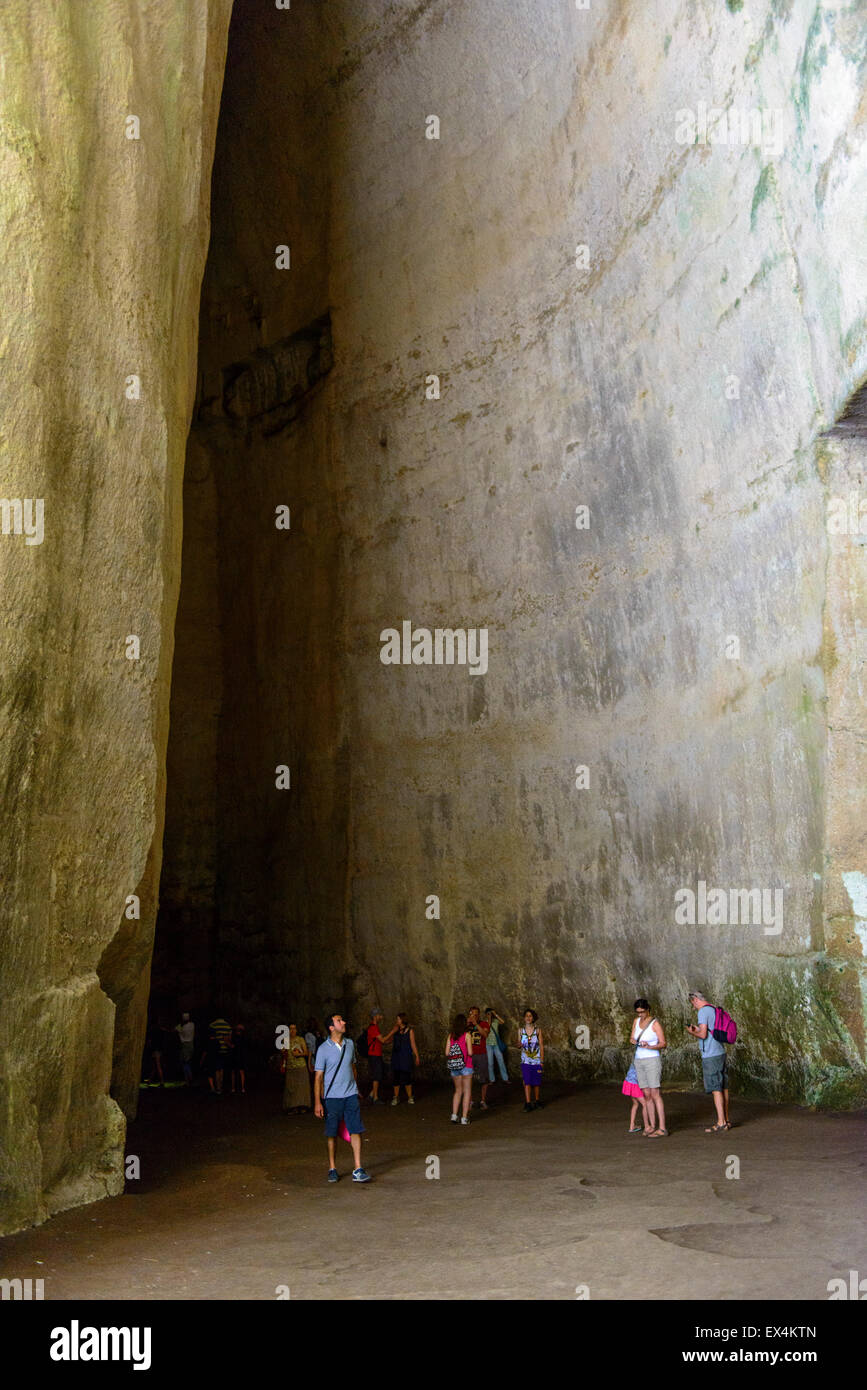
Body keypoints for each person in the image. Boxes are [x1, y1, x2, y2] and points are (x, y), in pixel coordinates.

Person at [313, 1013, 371, 1183]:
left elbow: (352, 1067)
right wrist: (318, 1102)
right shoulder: (323, 1049)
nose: (343, 1022)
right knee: (332, 1132)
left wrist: (356, 1088)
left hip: (350, 1094)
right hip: (332, 1097)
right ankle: (332, 1167)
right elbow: (318, 1078)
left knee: (355, 1129)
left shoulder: (350, 1044)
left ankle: (358, 1168)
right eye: (339, 1021)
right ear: (332, 1027)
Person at [686, 989, 731, 1132]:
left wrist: (692, 1031)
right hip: (720, 1051)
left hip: (710, 1054)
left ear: (695, 1000)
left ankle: (720, 1122)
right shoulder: (713, 1008)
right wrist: (698, 1028)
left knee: (715, 1088)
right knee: (723, 1087)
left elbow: (703, 1034)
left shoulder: (702, 1012)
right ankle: (727, 1119)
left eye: (693, 1004)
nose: (694, 1007)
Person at [631, 999, 667, 1137]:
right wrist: (635, 1041)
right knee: (646, 1094)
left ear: (648, 1009)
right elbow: (631, 1038)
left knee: (655, 1093)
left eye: (642, 1012)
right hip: (639, 1060)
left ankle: (662, 1128)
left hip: (652, 1059)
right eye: (638, 1012)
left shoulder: (655, 1023)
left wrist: (650, 1046)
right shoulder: (636, 1022)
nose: (640, 1015)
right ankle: (651, 1126)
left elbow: (663, 1043)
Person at [445, 1012, 473, 1124]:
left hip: (454, 1066)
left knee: (457, 1091)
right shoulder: (467, 1035)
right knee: (467, 1092)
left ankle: (454, 1115)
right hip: (466, 1066)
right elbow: (470, 1052)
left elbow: (447, 1053)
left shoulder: (451, 1036)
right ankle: (464, 1118)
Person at [389, 1013, 419, 1104]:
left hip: (405, 1057)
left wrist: (417, 1056)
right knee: (396, 1077)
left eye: (398, 1019)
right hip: (396, 1057)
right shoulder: (395, 1030)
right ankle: (396, 1097)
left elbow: (413, 1044)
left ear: (402, 1020)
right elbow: (389, 1040)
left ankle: (410, 1097)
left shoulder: (410, 1031)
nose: (397, 1021)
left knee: (407, 1077)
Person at [466, 1006, 491, 1108]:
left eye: (476, 1014)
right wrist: (467, 1024)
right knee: (468, 1079)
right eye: (472, 1014)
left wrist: (476, 1024)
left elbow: (485, 1034)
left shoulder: (484, 1024)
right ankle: (470, 1101)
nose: (474, 1016)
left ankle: (483, 1100)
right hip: (469, 1055)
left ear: (479, 1015)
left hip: (481, 1054)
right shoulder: (466, 1025)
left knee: (484, 1079)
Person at [519, 1008, 544, 1110]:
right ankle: (528, 1102)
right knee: (527, 1081)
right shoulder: (521, 1031)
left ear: (533, 1018)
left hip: (536, 1060)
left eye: (530, 1016)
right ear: (524, 1018)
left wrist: (542, 1060)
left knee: (536, 1082)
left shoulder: (538, 1030)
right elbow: (518, 1043)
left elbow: (541, 1045)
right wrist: (519, 1044)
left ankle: (537, 1101)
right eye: (526, 1016)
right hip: (525, 1060)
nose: (528, 1018)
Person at [282, 1023, 310, 1112]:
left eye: (294, 1028)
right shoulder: (285, 1040)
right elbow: (284, 1055)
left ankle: (302, 1106)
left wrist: (299, 1054)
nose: (292, 1030)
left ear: (297, 1030)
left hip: (300, 1066)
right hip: (290, 1067)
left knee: (301, 1087)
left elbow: (306, 1052)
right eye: (290, 1029)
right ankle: (292, 1107)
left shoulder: (300, 1039)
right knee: (291, 1087)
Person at [366, 1008, 391, 1104]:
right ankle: (375, 1098)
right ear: (375, 1016)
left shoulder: (374, 1027)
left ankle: (372, 1094)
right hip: (374, 1055)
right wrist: (393, 1031)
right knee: (377, 1075)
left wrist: (391, 1039)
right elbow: (383, 1040)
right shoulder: (373, 1028)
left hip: (376, 1054)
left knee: (380, 1074)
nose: (381, 1016)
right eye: (379, 1015)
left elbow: (381, 1041)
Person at [622, 1058, 650, 1133]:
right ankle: (647, 1126)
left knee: (635, 1104)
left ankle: (632, 1126)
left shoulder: (635, 1059)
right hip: (634, 1085)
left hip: (628, 1083)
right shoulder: (643, 1061)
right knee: (645, 1104)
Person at [208, 1013, 233, 1095]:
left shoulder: (212, 1025)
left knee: (216, 1070)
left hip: (216, 1050)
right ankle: (221, 1086)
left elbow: (210, 1036)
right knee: (222, 1069)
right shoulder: (227, 1026)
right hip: (225, 1050)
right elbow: (229, 1038)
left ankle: (218, 1087)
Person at [485, 1007, 509, 1084]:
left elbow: (503, 1022)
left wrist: (495, 1014)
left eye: (490, 1014)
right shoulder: (484, 1023)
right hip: (488, 1045)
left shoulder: (496, 1021)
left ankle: (505, 1078)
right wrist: (489, 1019)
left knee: (501, 1061)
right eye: (488, 1014)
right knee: (490, 1063)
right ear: (485, 1014)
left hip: (496, 1045)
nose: (490, 1015)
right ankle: (492, 1080)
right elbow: (487, 1029)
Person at [175, 1012, 195, 1085]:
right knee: (188, 1062)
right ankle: (189, 1079)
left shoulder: (182, 1027)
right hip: (191, 1044)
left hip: (184, 1045)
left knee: (185, 1063)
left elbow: (176, 1028)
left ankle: (189, 1079)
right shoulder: (192, 1025)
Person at [230, 1022, 247, 1094]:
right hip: (241, 1056)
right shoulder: (244, 1037)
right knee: (241, 1072)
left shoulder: (236, 1037)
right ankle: (242, 1088)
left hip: (236, 1056)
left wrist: (226, 1041)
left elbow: (232, 1046)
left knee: (234, 1072)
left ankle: (233, 1088)